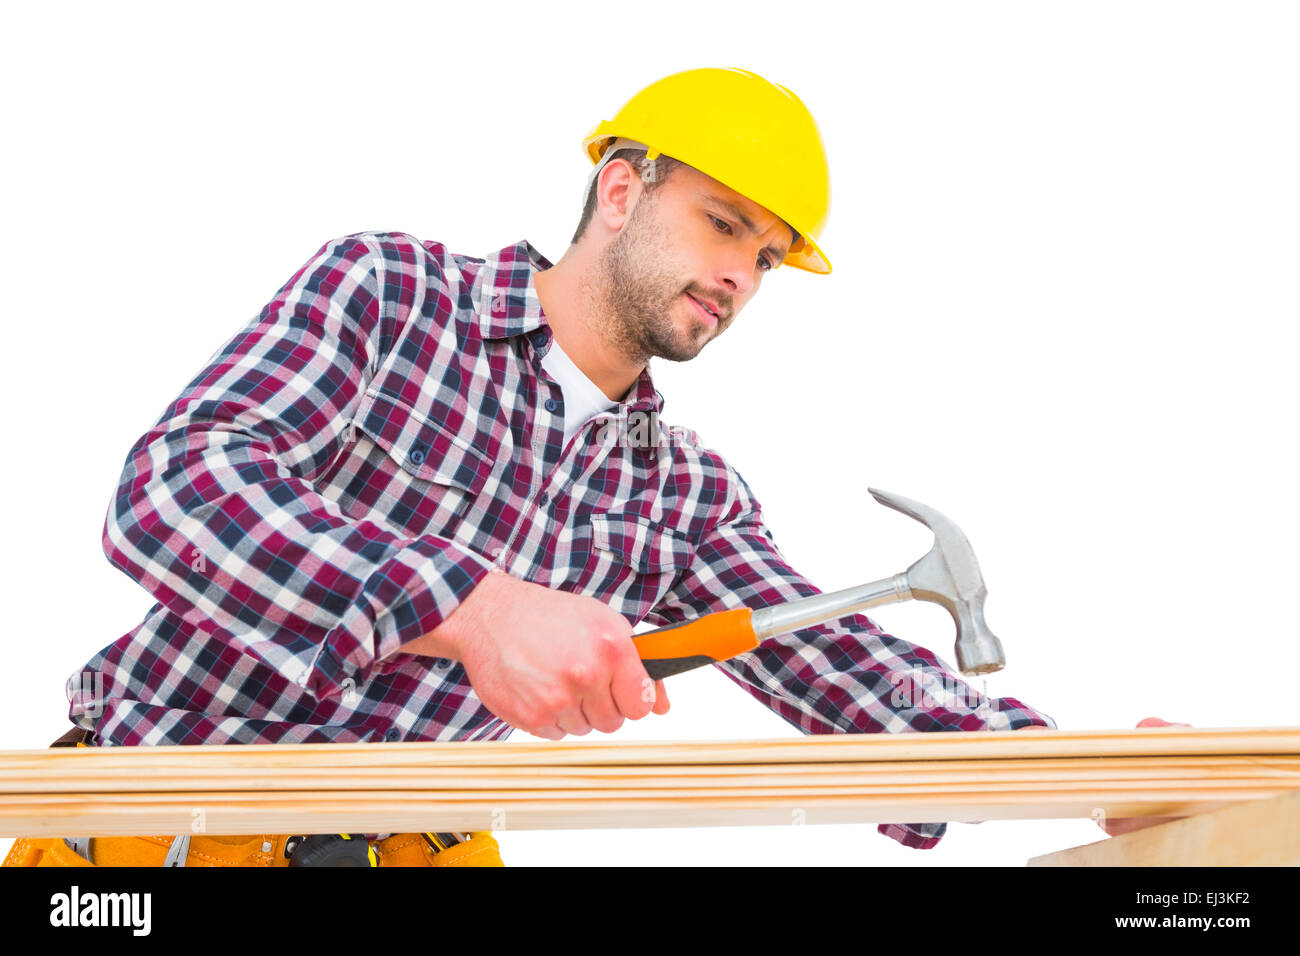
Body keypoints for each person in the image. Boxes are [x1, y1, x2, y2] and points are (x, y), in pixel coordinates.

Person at [7, 66, 1161, 868]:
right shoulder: (392, 293)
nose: (740, 278)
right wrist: (465, 605)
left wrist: (1071, 760)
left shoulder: (676, 492)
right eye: (721, 224)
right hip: (147, 821)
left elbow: (836, 661)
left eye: (764, 257)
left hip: (395, 841)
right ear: (621, 188)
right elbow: (173, 487)